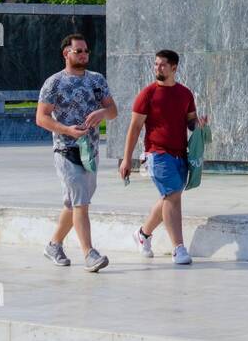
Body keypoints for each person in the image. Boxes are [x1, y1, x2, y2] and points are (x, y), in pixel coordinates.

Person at [36, 33, 117, 272]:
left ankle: (54, 245)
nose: (83, 55)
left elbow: (113, 110)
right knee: (81, 200)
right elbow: (41, 117)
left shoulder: (96, 80)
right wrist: (66, 130)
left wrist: (102, 114)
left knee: (74, 203)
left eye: (85, 51)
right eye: (78, 51)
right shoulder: (54, 83)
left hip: (89, 151)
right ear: (66, 53)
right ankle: (89, 254)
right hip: (65, 149)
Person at [119, 49, 207, 266]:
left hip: (180, 153)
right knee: (173, 196)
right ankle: (178, 248)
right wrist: (126, 158)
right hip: (157, 154)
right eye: (156, 64)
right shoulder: (147, 94)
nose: (157, 68)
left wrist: (199, 125)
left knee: (170, 197)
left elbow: (190, 122)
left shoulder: (185, 94)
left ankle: (143, 234)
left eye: (162, 65)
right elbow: (135, 127)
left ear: (174, 68)